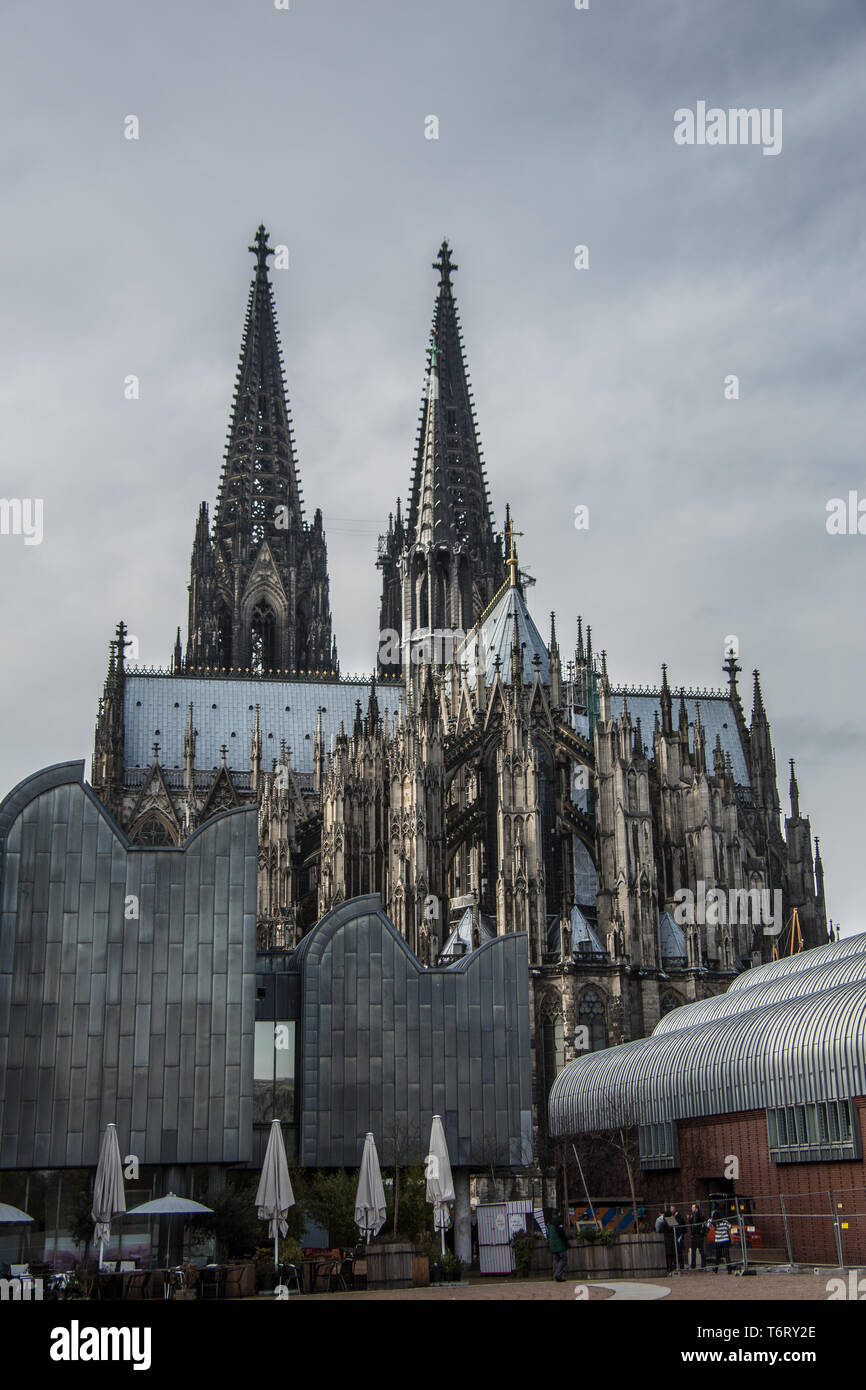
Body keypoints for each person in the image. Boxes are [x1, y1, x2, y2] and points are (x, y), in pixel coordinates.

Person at [547, 1210, 568, 1282]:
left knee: (556, 1260)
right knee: (564, 1259)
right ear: (558, 1213)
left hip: (552, 1244)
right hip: (559, 1244)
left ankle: (557, 1276)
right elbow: (561, 1232)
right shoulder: (558, 1221)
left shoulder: (550, 1221)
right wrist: (566, 1241)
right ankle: (558, 1275)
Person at [656, 1205, 676, 1272]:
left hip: (667, 1240)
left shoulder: (664, 1223)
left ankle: (669, 1268)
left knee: (668, 1255)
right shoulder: (672, 1221)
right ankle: (673, 1267)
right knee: (672, 1255)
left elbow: (659, 1230)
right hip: (672, 1240)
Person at [689, 1203, 706, 1269]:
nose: (692, 1209)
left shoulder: (695, 1215)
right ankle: (703, 1264)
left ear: (696, 1208)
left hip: (696, 1235)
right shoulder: (701, 1215)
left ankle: (693, 1265)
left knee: (694, 1251)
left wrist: (692, 1234)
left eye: (693, 1207)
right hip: (700, 1235)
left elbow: (695, 1225)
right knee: (702, 1250)